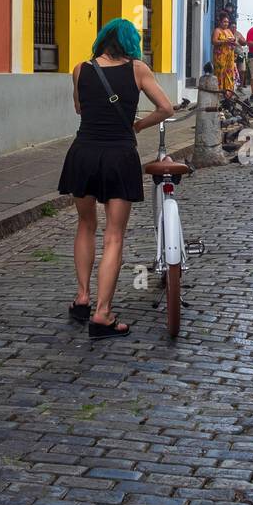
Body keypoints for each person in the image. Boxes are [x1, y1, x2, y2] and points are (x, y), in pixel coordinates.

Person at [59, 19, 173, 339]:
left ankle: (82, 298)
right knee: (114, 236)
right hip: (119, 155)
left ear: (102, 40)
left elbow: (80, 109)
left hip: (82, 153)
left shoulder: (81, 69)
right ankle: (103, 314)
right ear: (129, 42)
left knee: (85, 225)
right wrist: (139, 125)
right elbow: (166, 108)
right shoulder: (138, 70)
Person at [211, 11, 238, 98]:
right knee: (220, 73)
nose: (226, 24)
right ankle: (219, 92)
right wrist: (225, 41)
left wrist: (233, 42)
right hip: (220, 56)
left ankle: (228, 92)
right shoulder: (217, 30)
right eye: (224, 22)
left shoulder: (229, 31)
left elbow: (234, 40)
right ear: (220, 22)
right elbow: (214, 41)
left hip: (229, 56)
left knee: (229, 73)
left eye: (227, 22)